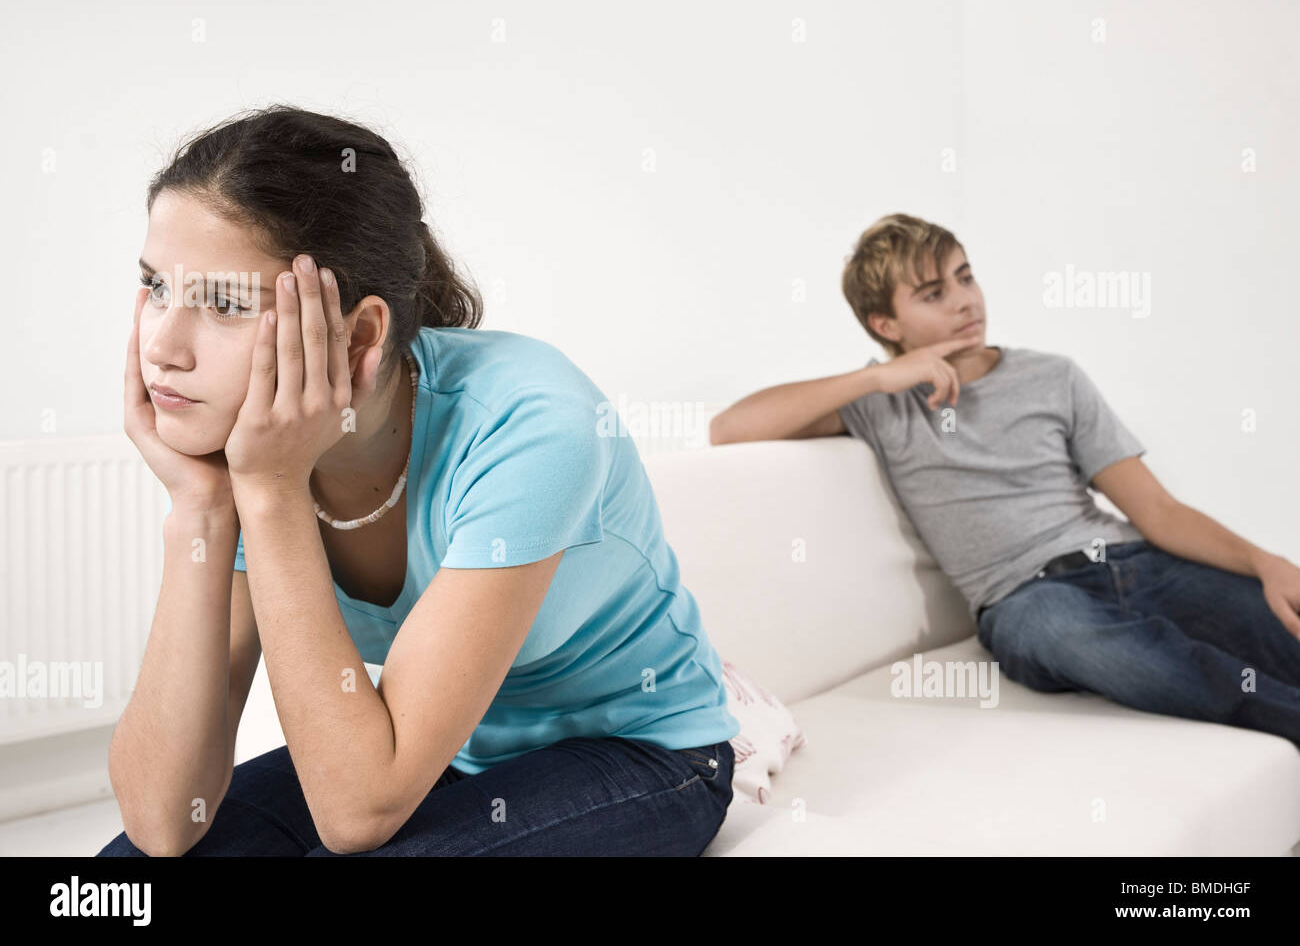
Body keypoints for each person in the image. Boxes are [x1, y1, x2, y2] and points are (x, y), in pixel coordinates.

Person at [99, 104, 737, 858]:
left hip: (641, 750)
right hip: (436, 750)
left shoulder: (533, 423)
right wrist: (203, 511)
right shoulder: (244, 448)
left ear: (360, 335)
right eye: (157, 288)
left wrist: (269, 496)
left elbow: (356, 814)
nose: (162, 347)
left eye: (226, 303)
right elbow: (163, 822)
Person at [710, 211, 1300, 749]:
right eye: (934, 293)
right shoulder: (882, 404)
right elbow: (729, 428)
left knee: (1274, 621)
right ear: (885, 322)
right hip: (1025, 598)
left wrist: (1265, 562)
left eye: (966, 278)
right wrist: (880, 378)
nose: (965, 301)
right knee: (1104, 645)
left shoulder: (1053, 376)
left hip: (1134, 561)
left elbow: (1159, 512)